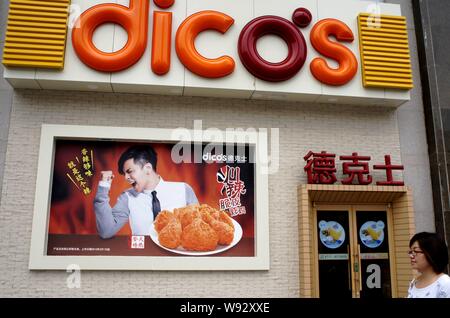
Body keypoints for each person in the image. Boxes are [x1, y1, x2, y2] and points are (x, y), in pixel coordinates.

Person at [94, 144, 198, 238]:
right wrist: (103, 187)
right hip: (142, 256)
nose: (126, 177)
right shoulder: (127, 197)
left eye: (130, 171)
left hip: (176, 256)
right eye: (124, 174)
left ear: (148, 168)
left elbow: (197, 228)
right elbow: (106, 231)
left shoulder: (183, 190)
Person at [407, 232, 450, 298]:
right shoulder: (414, 282)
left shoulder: (445, 283)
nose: (411, 256)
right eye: (410, 252)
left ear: (431, 253)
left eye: (415, 251)